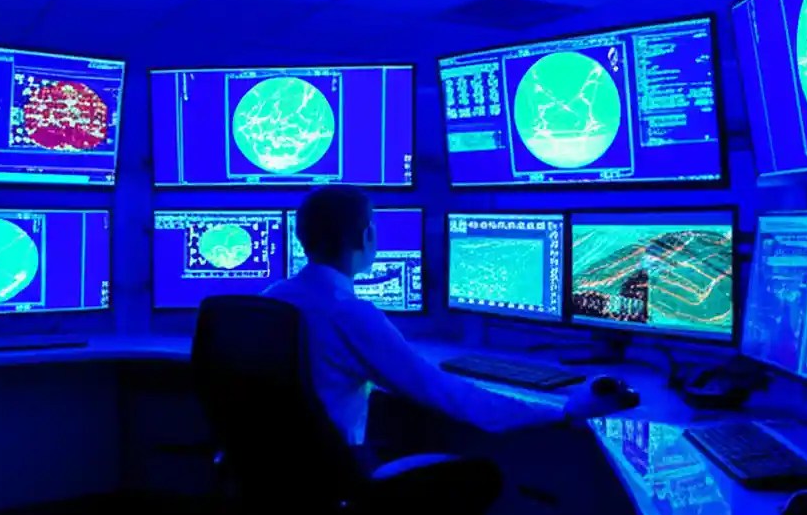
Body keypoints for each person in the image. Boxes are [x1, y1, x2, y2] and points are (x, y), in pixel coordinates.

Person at [264, 186, 623, 448]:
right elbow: (442, 393)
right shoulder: (349, 313)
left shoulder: (270, 300)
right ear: (367, 235)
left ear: (302, 237)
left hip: (277, 473)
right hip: (330, 476)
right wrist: (562, 411)